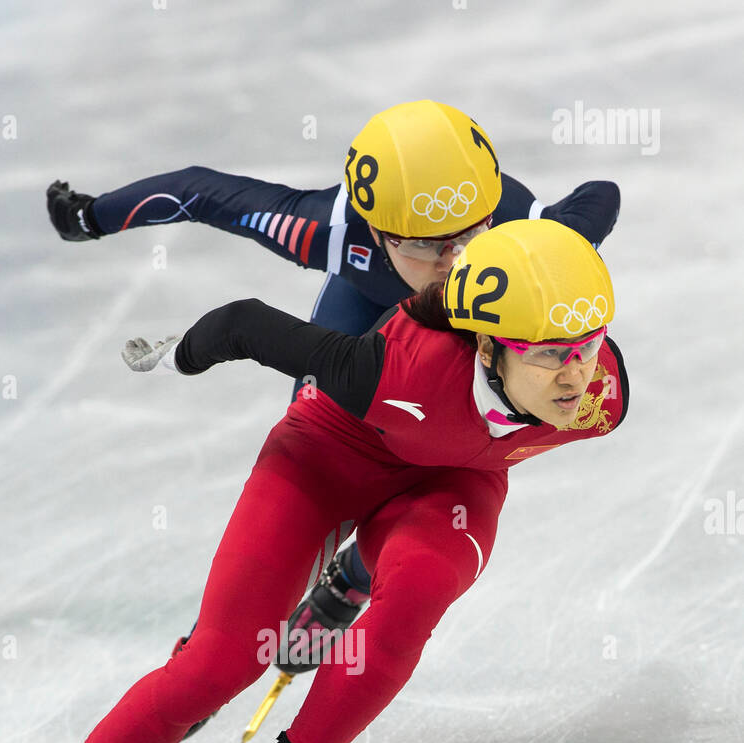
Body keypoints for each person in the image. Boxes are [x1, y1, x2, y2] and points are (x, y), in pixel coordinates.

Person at [0, 218, 627, 743]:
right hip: (329, 457)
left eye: (585, 348)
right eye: (546, 355)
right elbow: (244, 324)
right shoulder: (393, 370)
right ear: (486, 346)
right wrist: (178, 354)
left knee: (418, 589)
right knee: (221, 663)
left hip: (447, 486)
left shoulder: (602, 399)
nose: (574, 375)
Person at [47, 101, 620, 674]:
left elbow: (603, 195)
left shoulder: (521, 225)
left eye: (473, 233)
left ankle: (357, 574)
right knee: (320, 465)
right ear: (377, 231)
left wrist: (567, 239)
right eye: (424, 244)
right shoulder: (329, 229)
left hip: (465, 344)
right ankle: (208, 648)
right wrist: (91, 218)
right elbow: (205, 195)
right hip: (361, 324)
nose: (456, 260)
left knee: (452, 454)